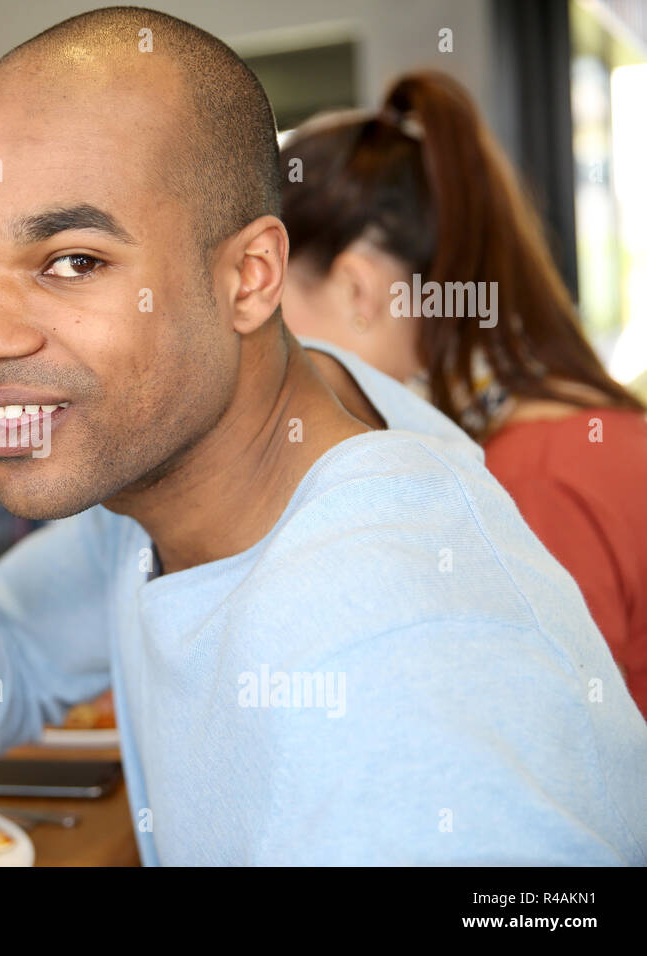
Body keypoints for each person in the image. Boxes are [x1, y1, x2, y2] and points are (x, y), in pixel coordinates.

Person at [0, 8, 647, 864]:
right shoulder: (212, 451)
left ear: (249, 277)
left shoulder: (392, 659)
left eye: (72, 260)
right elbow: (8, 660)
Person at [279, 71, 647, 717]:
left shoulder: (529, 485)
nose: (271, 354)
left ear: (359, 291)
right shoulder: (578, 429)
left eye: (277, 315)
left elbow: (540, 749)